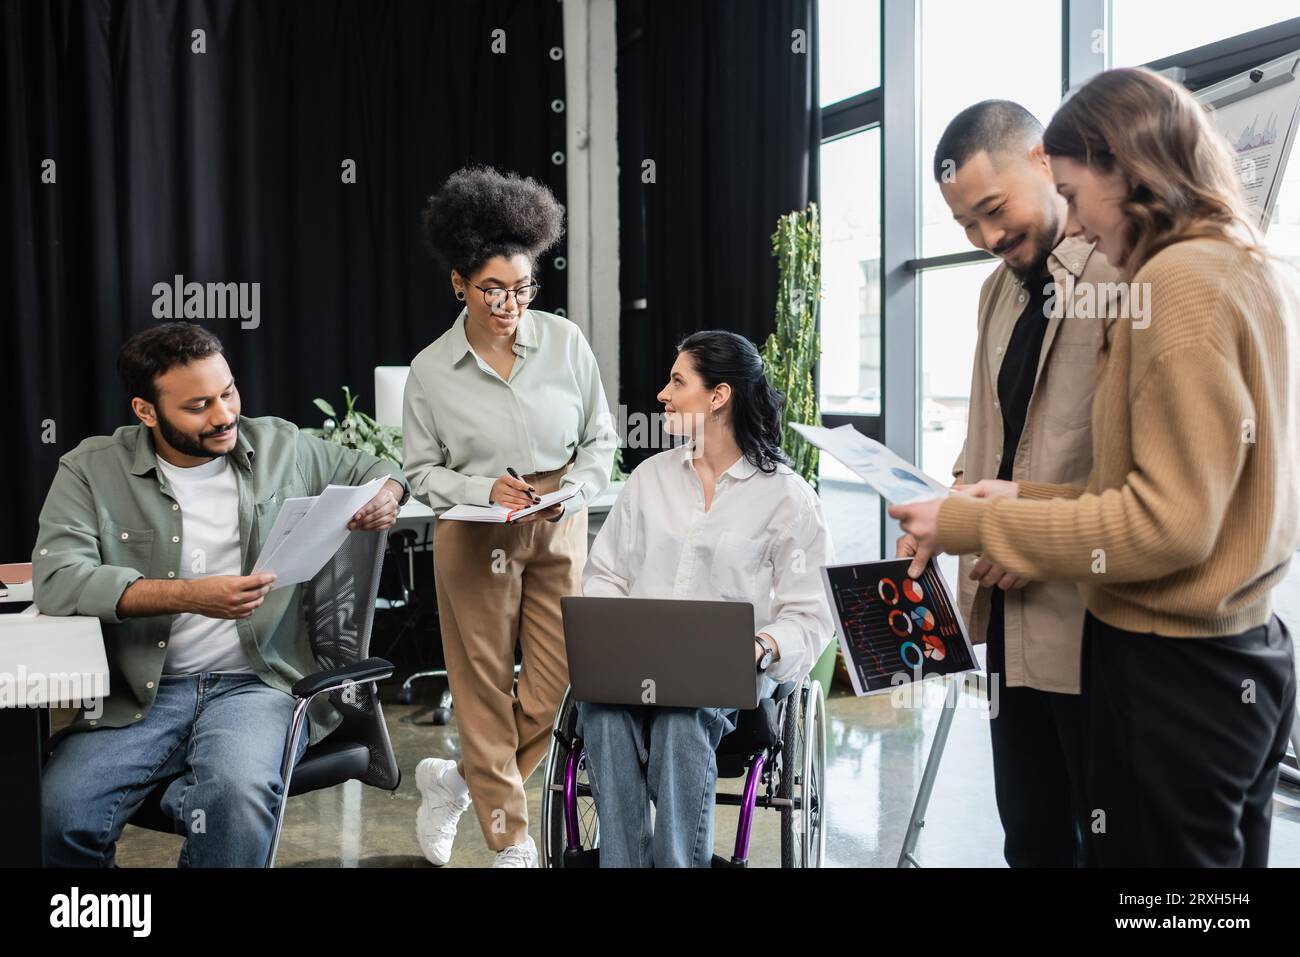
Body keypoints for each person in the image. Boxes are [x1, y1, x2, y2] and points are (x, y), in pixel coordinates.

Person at [893, 67, 1299, 867]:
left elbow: (1165, 516)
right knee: (1046, 837)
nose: (984, 237)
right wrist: (995, 497)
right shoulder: (1218, 266)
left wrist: (992, 520)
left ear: (1072, 166)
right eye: (963, 222)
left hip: (1139, 638)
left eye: (1072, 196)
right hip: (1143, 637)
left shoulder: (1161, 281)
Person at [36, 322, 408, 866]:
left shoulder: (281, 445)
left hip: (258, 685)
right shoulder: (91, 469)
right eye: (198, 405)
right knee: (59, 815)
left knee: (233, 799)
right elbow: (58, 578)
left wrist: (389, 494)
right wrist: (187, 595)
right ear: (146, 411)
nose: (224, 415)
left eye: (228, 391)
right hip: (144, 693)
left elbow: (380, 467)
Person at [904, 99, 1118, 866]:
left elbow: (1139, 479)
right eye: (965, 224)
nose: (987, 239)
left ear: (1042, 161)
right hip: (1007, 625)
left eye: (993, 211)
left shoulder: (1121, 274)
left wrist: (1026, 529)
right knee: (1029, 836)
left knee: (1111, 841)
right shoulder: (997, 291)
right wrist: (951, 508)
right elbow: (984, 441)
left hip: (1094, 623)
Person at [404, 166, 617, 868]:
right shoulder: (432, 370)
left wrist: (578, 486)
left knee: (557, 682)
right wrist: (478, 486)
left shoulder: (565, 342)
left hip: (559, 518)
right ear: (459, 282)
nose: (509, 303)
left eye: (522, 287)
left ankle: (459, 780)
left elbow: (600, 439)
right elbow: (419, 470)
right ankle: (512, 839)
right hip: (474, 530)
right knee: (483, 686)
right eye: (493, 288)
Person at [578, 330, 834, 867]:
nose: (662, 395)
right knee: (598, 712)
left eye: (677, 381)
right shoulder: (649, 480)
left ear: (718, 396)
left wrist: (761, 648)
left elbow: (810, 614)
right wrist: (609, 629)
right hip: (638, 664)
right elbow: (605, 575)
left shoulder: (787, 497)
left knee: (680, 719)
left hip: (729, 675)